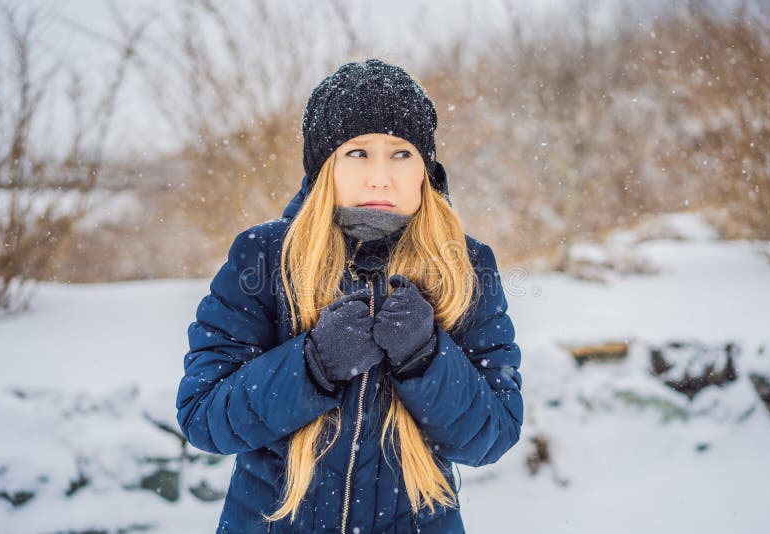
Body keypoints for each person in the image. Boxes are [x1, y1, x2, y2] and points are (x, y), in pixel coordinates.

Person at [176, 58, 523, 534]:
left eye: (401, 153)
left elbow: (493, 433)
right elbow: (203, 416)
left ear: (426, 169)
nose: (380, 177)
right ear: (325, 168)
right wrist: (311, 366)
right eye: (357, 153)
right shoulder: (264, 257)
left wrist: (427, 359)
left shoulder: (467, 265)